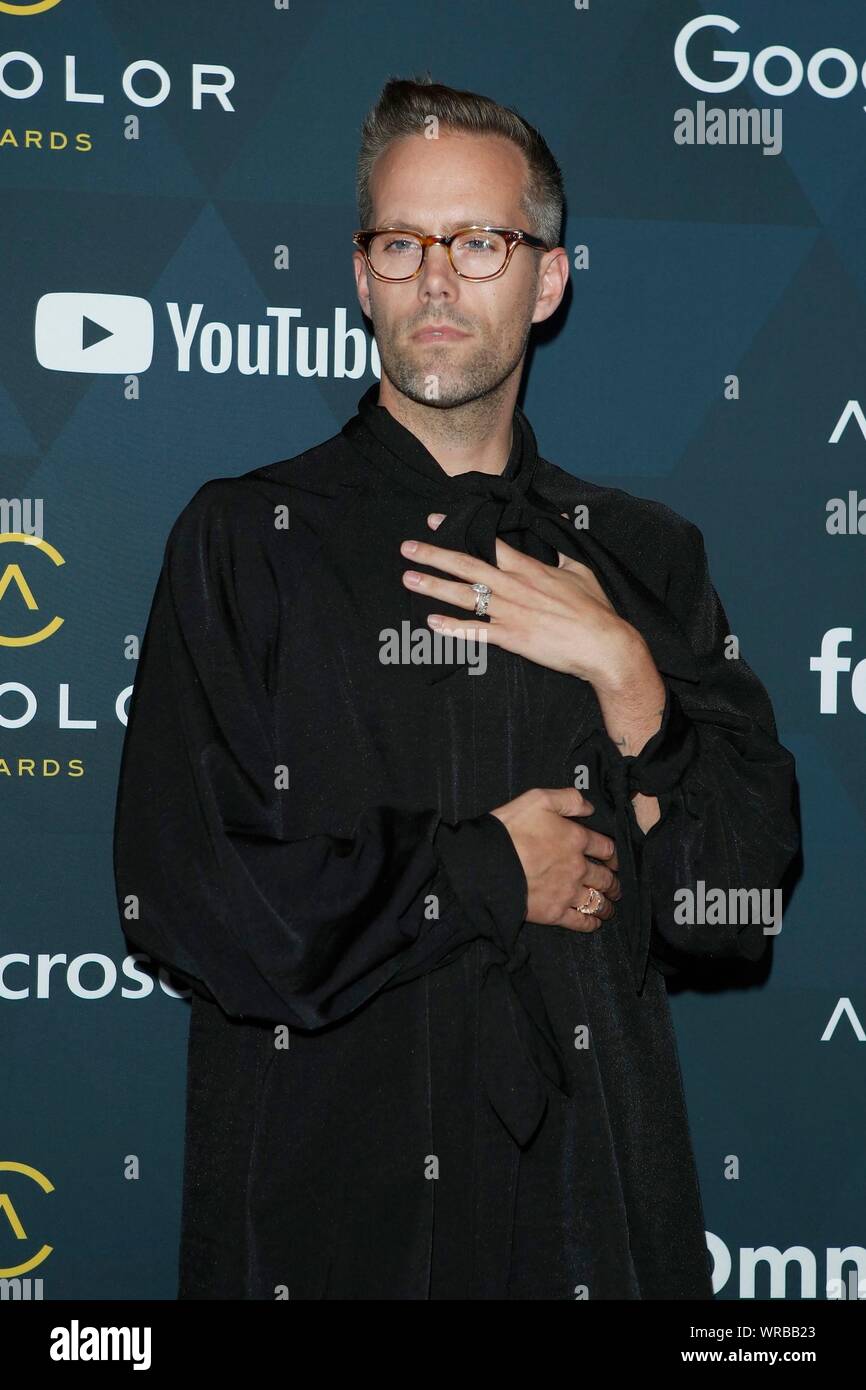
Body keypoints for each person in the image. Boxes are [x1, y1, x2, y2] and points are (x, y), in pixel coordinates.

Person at [112, 75, 800, 1300]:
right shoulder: (246, 539)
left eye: (478, 241)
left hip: (590, 1221)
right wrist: (488, 867)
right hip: (319, 1227)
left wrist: (627, 676)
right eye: (401, 242)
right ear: (361, 274)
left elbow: (731, 910)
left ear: (546, 280)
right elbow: (187, 894)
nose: (436, 278)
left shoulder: (642, 557)